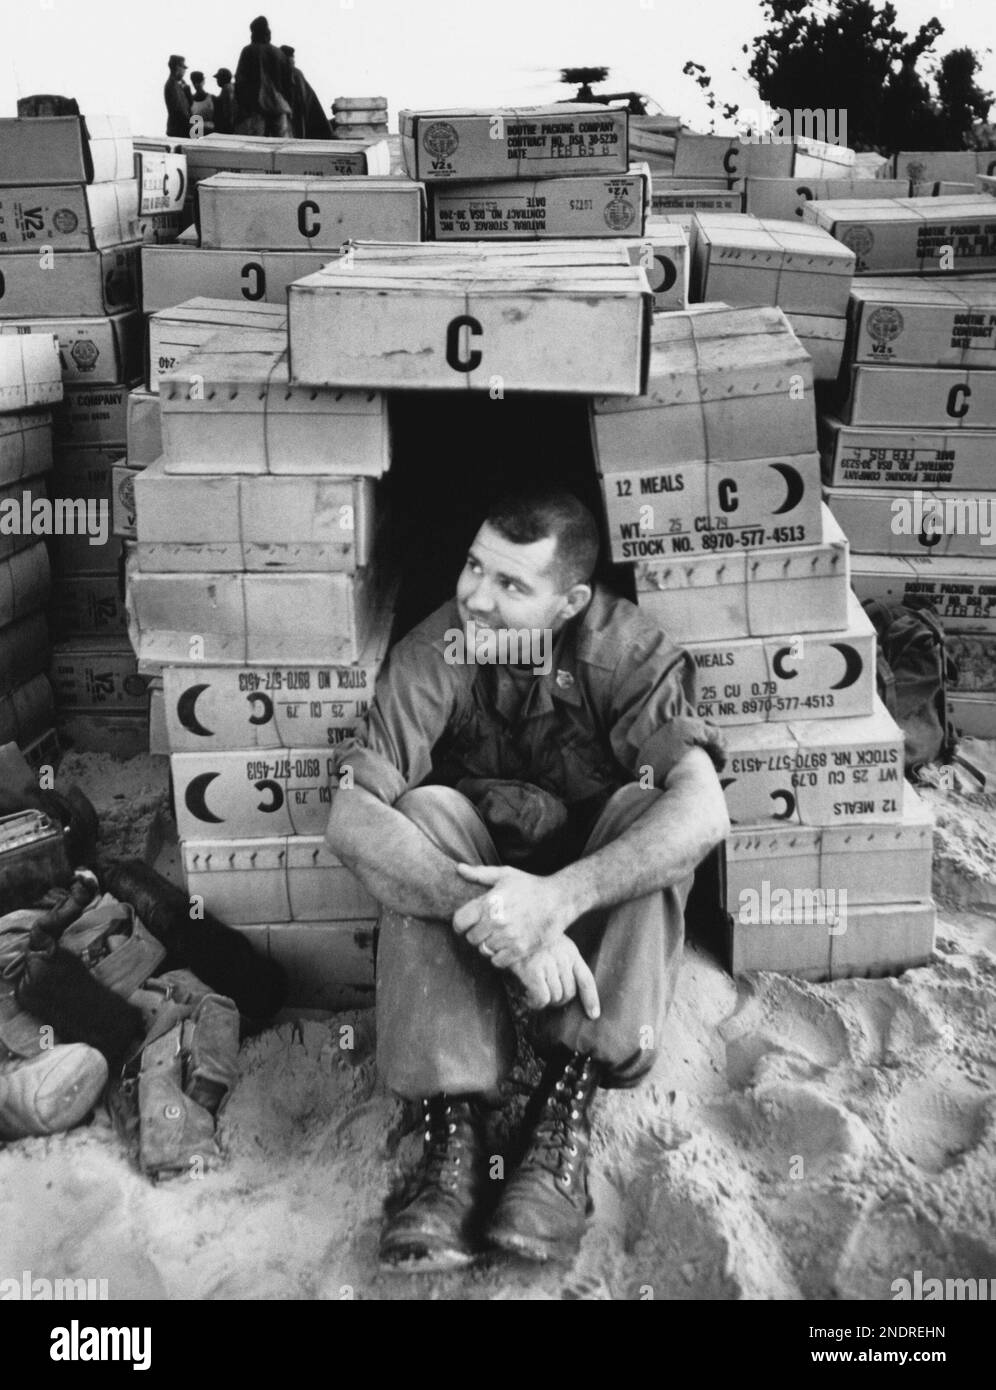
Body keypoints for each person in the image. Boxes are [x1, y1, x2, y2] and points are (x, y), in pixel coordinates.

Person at [323, 487, 730, 1271]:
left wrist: (557, 902)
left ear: (569, 601)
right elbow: (352, 817)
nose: (476, 597)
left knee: (651, 810)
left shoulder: (622, 649)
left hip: (585, 906)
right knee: (424, 810)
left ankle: (564, 1104)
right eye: (475, 568)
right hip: (486, 887)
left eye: (512, 586)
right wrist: (495, 915)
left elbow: (704, 814)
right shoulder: (438, 643)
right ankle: (452, 1125)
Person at [234, 14, 295, 137]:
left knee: (257, 147)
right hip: (279, 107)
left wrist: (243, 107)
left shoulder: (248, 51)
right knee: (281, 146)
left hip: (256, 108)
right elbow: (289, 84)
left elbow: (240, 81)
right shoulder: (279, 53)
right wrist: (288, 104)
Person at [279, 45, 332, 140]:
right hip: (298, 109)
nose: (293, 60)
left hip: (295, 108)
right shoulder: (295, 73)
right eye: (292, 57)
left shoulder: (294, 73)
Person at [163, 54, 191, 139]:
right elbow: (180, 110)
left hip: (178, 130)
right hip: (179, 131)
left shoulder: (176, 84)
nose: (184, 71)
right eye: (183, 68)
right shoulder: (173, 85)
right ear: (177, 67)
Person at [213, 67, 238, 135]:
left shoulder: (226, 88)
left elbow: (228, 110)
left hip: (226, 127)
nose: (217, 80)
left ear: (222, 78)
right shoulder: (230, 87)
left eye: (218, 78)